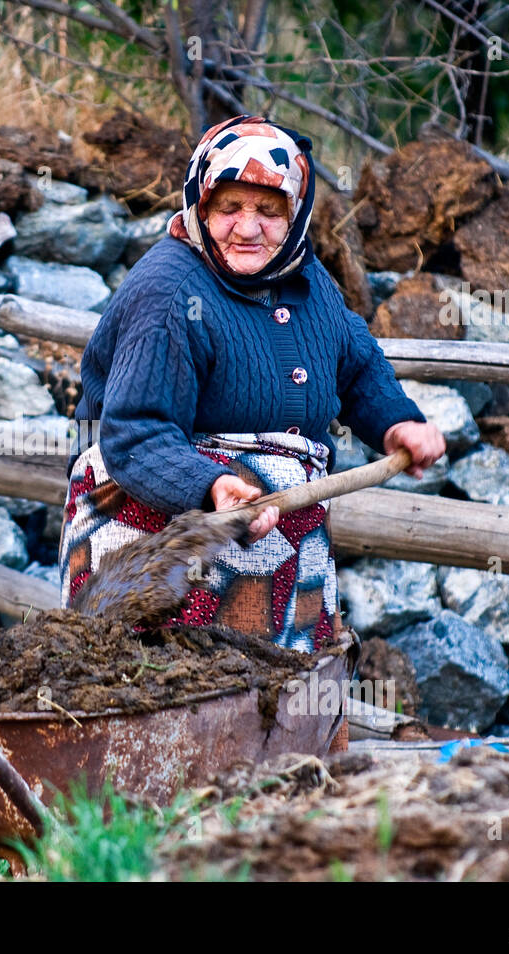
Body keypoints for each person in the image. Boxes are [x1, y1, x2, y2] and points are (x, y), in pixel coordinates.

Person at [60, 115, 445, 656]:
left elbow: (355, 362)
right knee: (159, 691)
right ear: (201, 205)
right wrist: (211, 487)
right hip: (157, 532)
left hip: (281, 542)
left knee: (275, 707)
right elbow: (136, 433)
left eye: (269, 211)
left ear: (296, 214)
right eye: (229, 209)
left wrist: (397, 421)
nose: (247, 228)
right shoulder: (169, 295)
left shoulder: (305, 278)